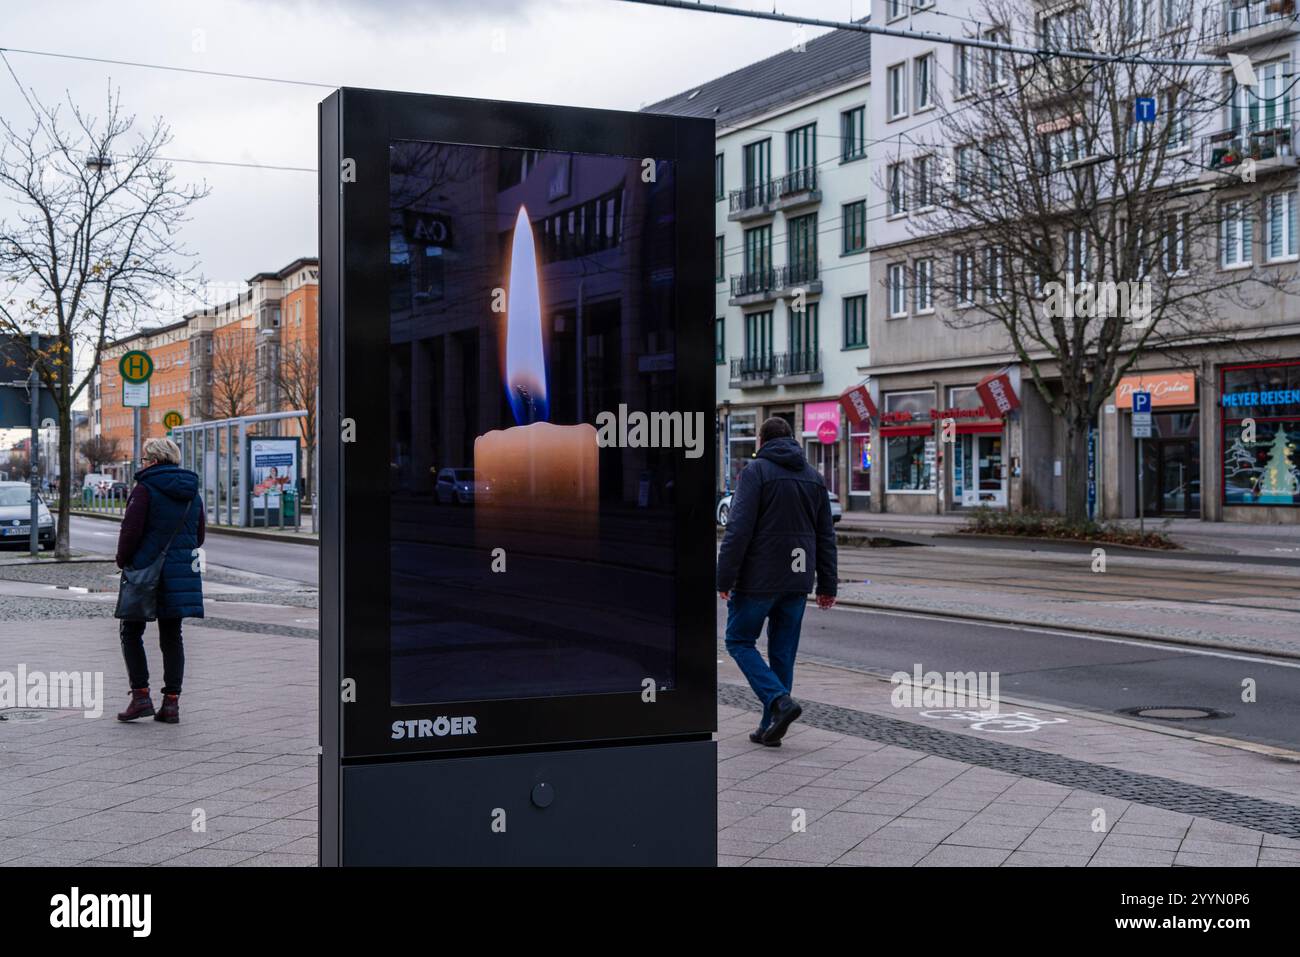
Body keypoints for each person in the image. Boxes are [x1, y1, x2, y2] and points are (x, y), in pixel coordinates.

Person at [716, 416, 837, 747]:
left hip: (759, 579)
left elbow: (738, 530)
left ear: (761, 441)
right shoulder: (814, 478)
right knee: (783, 652)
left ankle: (780, 703)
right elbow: (826, 536)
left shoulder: (756, 472)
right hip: (798, 581)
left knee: (739, 641)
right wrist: (828, 585)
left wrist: (723, 576)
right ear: (792, 440)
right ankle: (772, 726)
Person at [114, 437, 206, 724]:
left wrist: (124, 561)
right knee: (172, 635)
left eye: (143, 459)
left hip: (146, 571)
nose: (141, 463)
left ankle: (140, 696)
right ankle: (171, 704)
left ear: (153, 460)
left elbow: (130, 533)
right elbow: (199, 535)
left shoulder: (145, 490)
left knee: (131, 630)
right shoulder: (192, 492)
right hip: (179, 572)